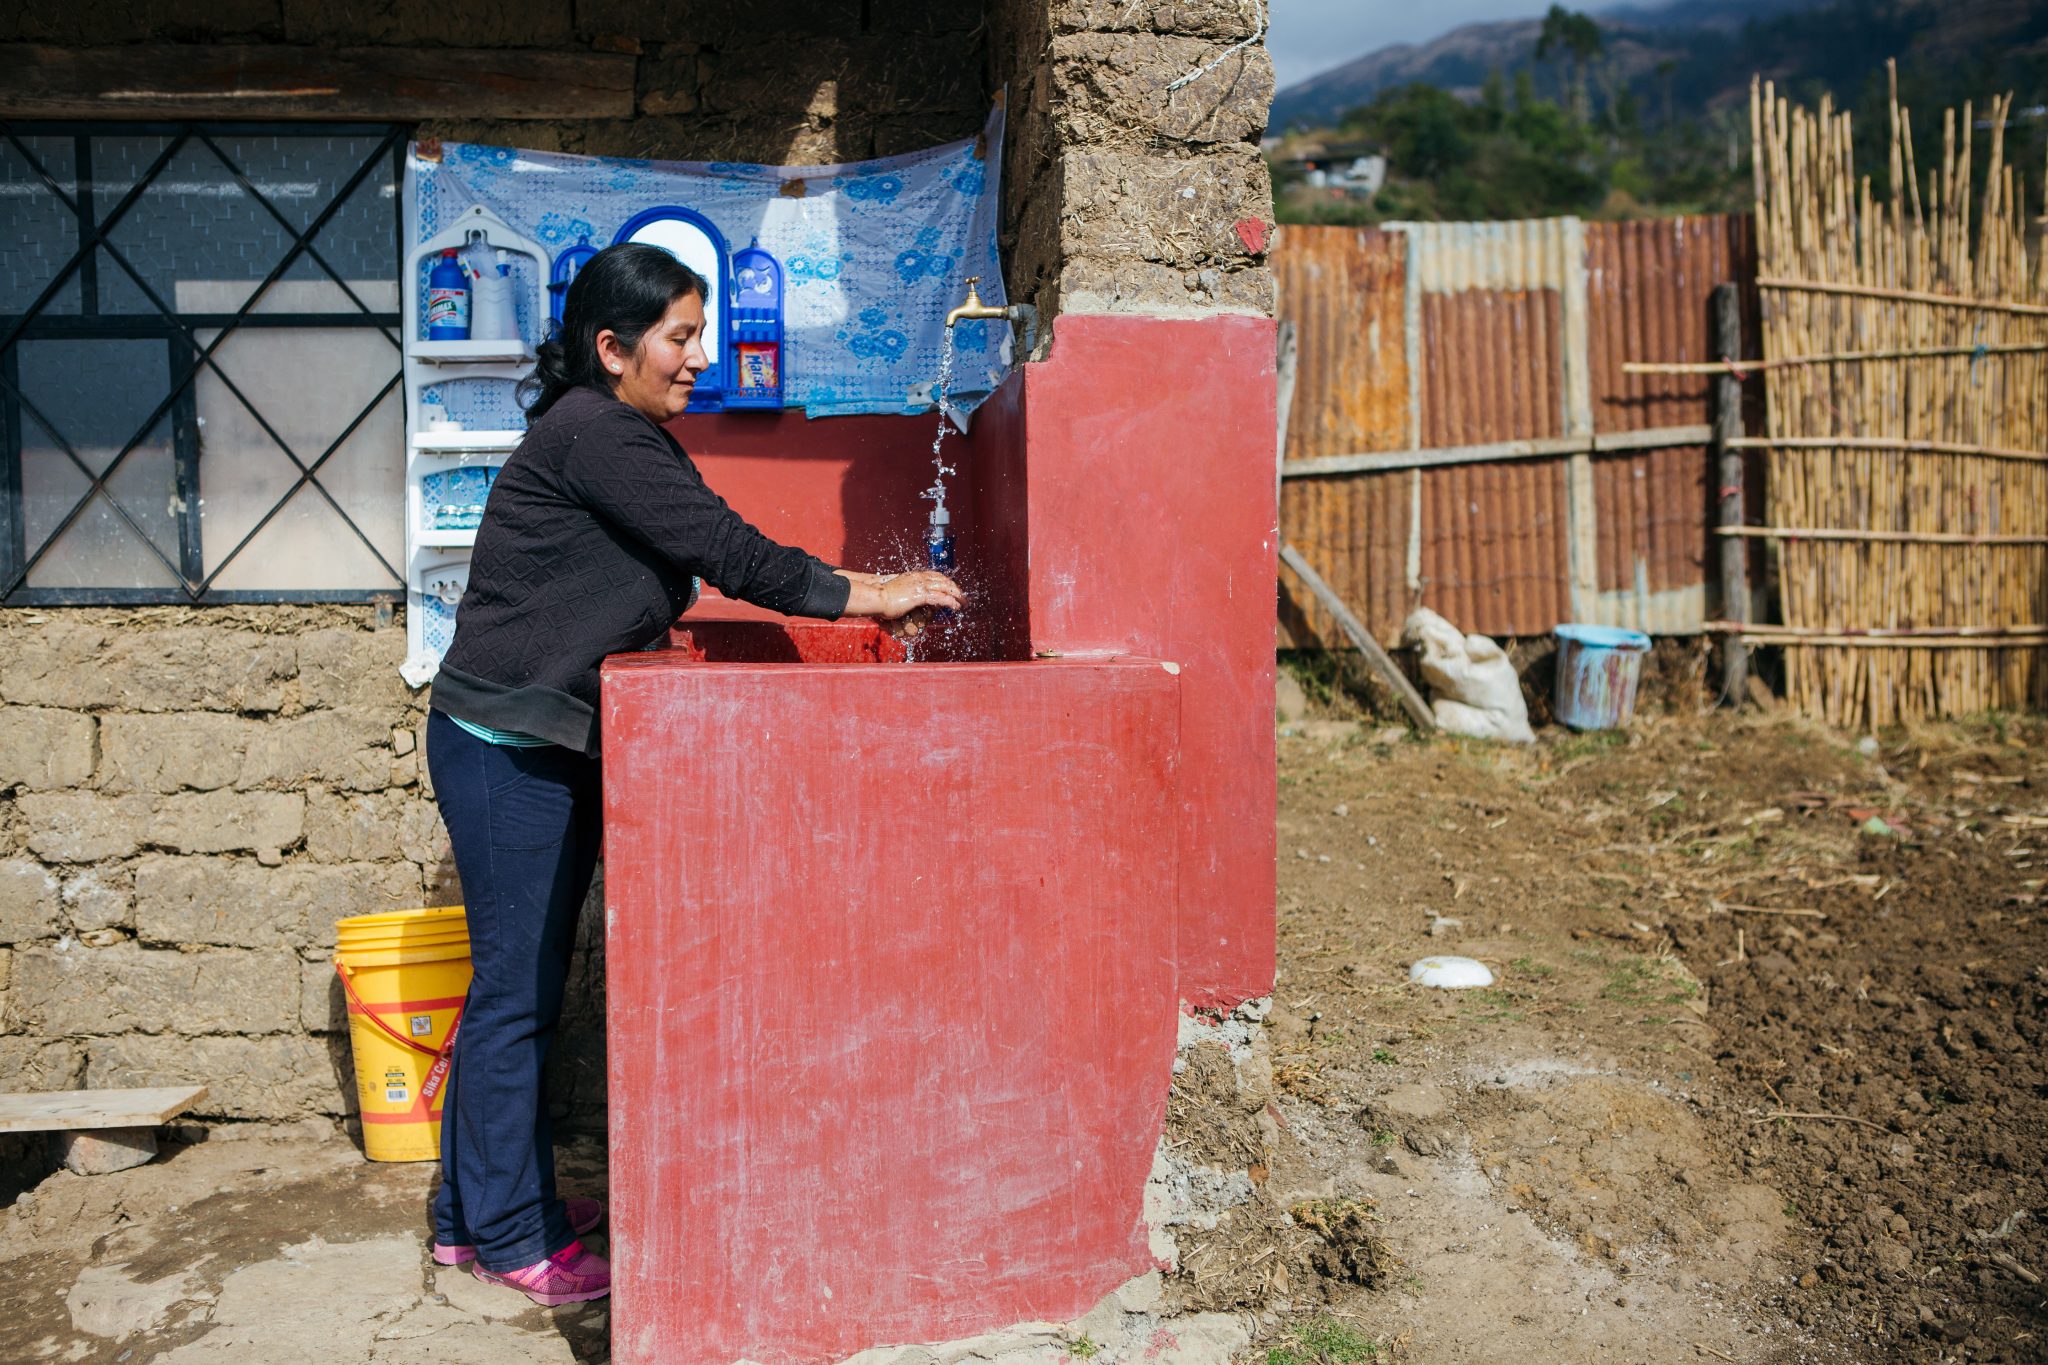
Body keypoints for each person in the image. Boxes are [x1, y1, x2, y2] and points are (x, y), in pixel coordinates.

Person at [423, 243, 962, 1306]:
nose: (697, 358)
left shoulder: (620, 435)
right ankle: (508, 1234)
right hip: (504, 746)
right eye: (679, 337)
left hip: (539, 741)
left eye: (698, 333)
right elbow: (733, 553)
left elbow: (711, 544)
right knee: (516, 999)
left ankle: (470, 1215)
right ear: (611, 348)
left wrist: (863, 588)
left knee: (520, 993)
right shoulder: (597, 434)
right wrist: (875, 593)